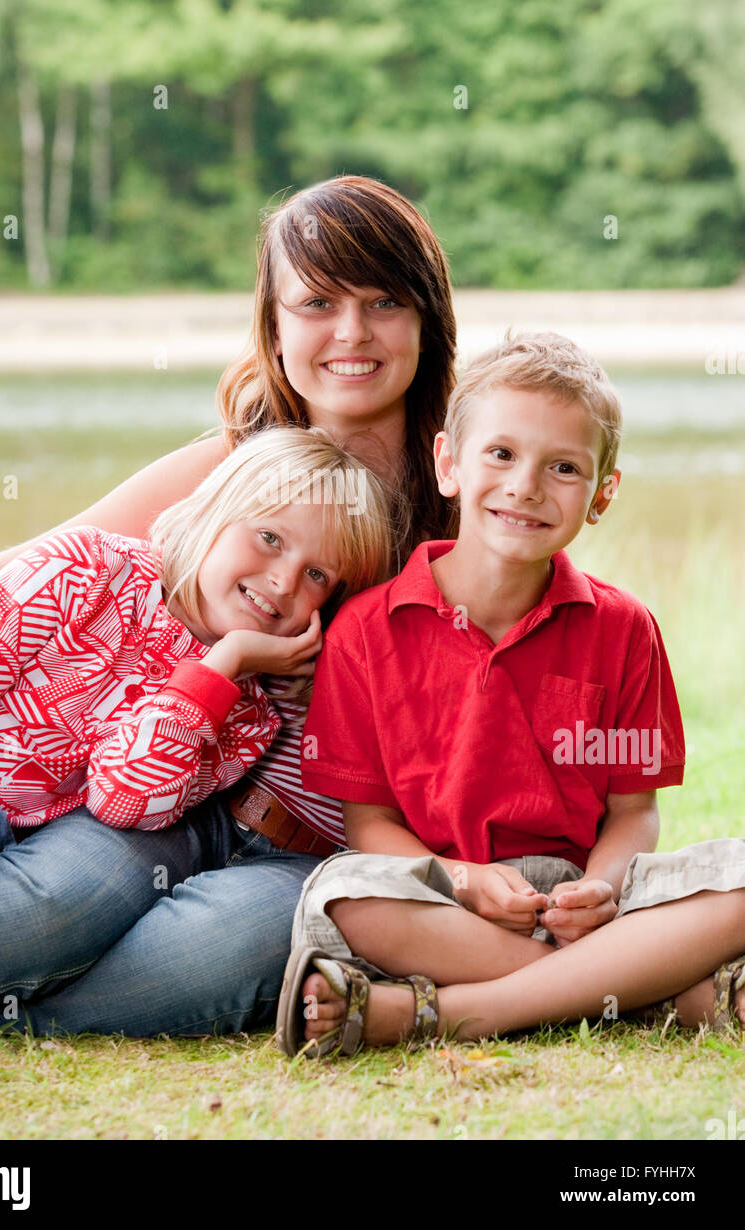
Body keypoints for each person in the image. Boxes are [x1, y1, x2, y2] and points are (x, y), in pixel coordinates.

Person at [0, 174, 458, 1036]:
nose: (351, 333)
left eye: (383, 301)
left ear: (427, 318)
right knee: (59, 900)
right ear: (273, 323)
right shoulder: (235, 466)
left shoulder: (464, 483)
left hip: (311, 846)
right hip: (164, 795)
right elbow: (28, 560)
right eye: (316, 302)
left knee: (233, 952)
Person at [277, 333, 745, 1056]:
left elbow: (634, 813)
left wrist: (602, 887)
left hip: (584, 901)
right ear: (448, 465)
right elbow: (368, 823)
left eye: (563, 467)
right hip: (441, 897)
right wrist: (463, 881)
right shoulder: (366, 630)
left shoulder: (623, 628)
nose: (526, 486)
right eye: (501, 454)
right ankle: (648, 992)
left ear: (602, 495)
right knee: (342, 892)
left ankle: (449, 1014)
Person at [0, 427, 392, 908]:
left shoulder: (242, 719)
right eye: (270, 538)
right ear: (214, 513)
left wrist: (221, 665)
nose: (283, 582)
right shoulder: (87, 571)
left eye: (316, 574)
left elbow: (122, 800)